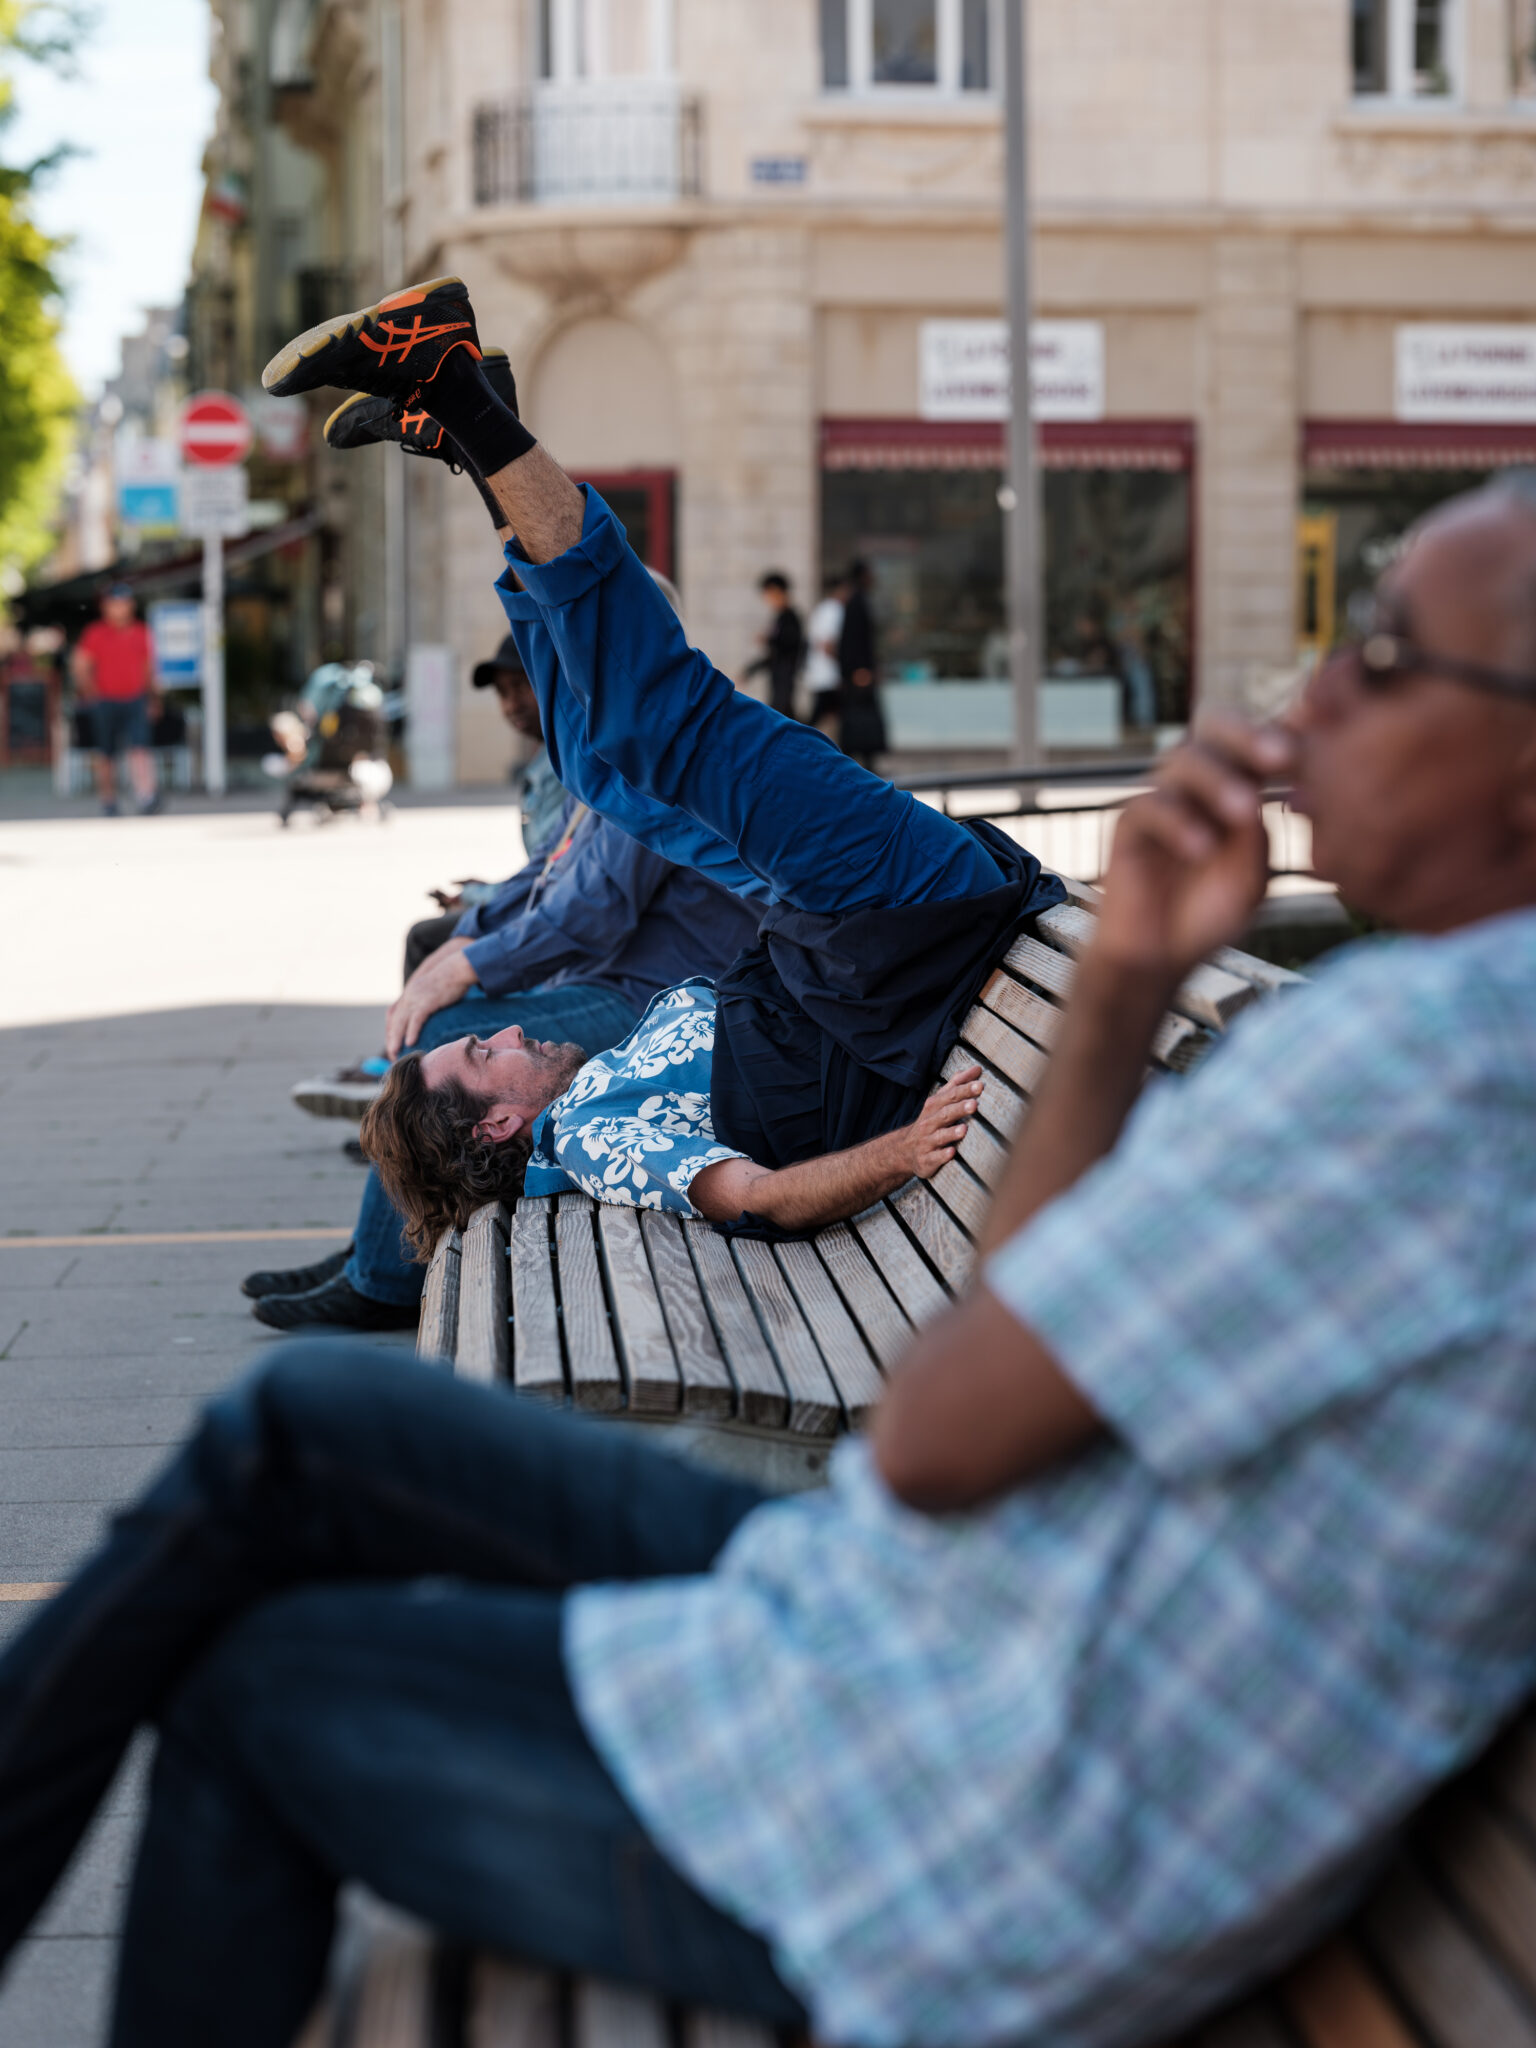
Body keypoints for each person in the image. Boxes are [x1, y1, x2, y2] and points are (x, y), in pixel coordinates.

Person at [3, 441, 1535, 2048]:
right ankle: (500, 453)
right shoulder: (1426, 1051)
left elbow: (937, 1437)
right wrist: (1127, 973)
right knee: (299, 1426)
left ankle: (496, 445)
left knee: (261, 1686)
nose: (1314, 693)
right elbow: (981, 1406)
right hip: (940, 1612)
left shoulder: (1425, 1073)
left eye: (1383, 655)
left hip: (938, 1799)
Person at [246, 775, 763, 1328]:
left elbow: (591, 909)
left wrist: (469, 963)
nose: (524, 704)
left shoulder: (636, 765)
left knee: (439, 1035)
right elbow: (540, 877)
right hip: (617, 978)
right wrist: (464, 939)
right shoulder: (589, 765)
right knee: (434, 1016)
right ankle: (369, 1251)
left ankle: (383, 1275)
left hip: (651, 982)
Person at [71, 584, 159, 816]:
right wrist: (91, 693)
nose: (119, 608)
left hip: (135, 698)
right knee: (106, 753)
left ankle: (146, 795)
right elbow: (81, 665)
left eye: (123, 603)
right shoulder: (95, 633)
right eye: (114, 604)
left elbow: (149, 668)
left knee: (140, 748)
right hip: (105, 700)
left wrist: (152, 697)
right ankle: (108, 799)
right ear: (105, 607)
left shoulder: (141, 631)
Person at [837, 558, 887, 769]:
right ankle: (860, 765)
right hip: (858, 673)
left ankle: (866, 764)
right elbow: (852, 640)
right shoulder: (856, 602)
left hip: (861, 671)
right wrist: (858, 669)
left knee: (863, 722)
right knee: (860, 722)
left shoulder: (860, 600)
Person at [744, 570, 804, 719]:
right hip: (777, 677)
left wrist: (769, 639)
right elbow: (773, 653)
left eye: (768, 595)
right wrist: (751, 670)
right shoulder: (780, 618)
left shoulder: (790, 618)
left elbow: (788, 644)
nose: (768, 600)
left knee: (780, 717)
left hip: (785, 676)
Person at [805, 567, 848, 731]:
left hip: (820, 673)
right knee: (820, 716)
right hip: (829, 674)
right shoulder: (834, 609)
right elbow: (827, 645)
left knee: (830, 715)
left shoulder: (822, 608)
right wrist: (843, 665)